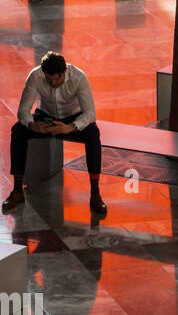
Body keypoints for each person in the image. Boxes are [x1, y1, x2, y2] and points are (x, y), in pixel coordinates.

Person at [2, 52, 107, 216]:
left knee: (93, 133)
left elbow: (90, 114)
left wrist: (71, 127)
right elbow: (23, 110)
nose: (53, 83)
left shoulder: (79, 77)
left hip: (72, 119)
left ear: (64, 71)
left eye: (57, 79)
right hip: (46, 117)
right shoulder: (35, 76)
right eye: (49, 79)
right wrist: (33, 125)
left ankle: (95, 193)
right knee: (18, 130)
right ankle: (17, 191)